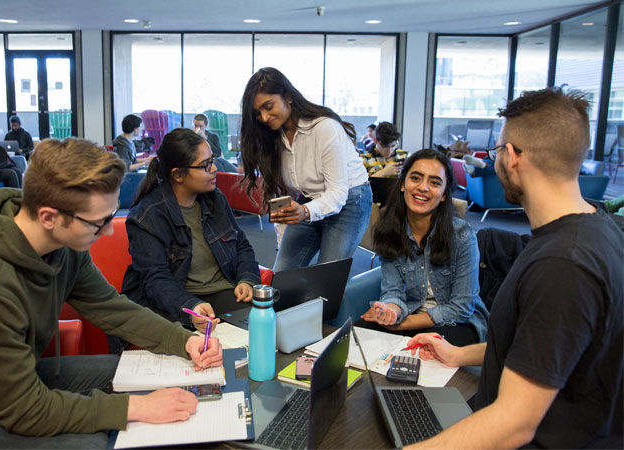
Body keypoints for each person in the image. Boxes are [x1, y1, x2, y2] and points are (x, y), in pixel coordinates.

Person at [0, 138, 223, 449]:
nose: (105, 233)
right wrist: (136, 408)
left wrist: (183, 340)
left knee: (133, 371)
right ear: (48, 216)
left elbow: (109, 305)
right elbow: (21, 410)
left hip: (4, 381)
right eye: (97, 222)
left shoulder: (63, 244)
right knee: (90, 442)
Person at [405, 88, 623, 449]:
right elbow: (547, 348)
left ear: (513, 156)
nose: (496, 160)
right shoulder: (597, 229)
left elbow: (514, 424)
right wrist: (458, 353)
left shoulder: (562, 266)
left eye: (497, 150)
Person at [122, 128, 261, 334]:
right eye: (205, 165)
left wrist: (247, 279)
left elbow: (241, 246)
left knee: (264, 326)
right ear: (178, 175)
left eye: (212, 160)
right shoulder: (147, 216)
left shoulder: (216, 199)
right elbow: (155, 280)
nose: (214, 168)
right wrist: (190, 305)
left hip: (221, 292)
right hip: (176, 300)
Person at [239, 67, 372, 271]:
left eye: (269, 106)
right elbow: (282, 199)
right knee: (281, 276)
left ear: (288, 97)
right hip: (309, 200)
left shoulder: (324, 127)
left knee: (326, 277)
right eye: (258, 113)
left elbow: (337, 193)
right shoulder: (272, 139)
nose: (264, 117)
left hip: (350, 200)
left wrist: (305, 211)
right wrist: (284, 248)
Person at [360, 149, 489, 346]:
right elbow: (392, 291)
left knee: (431, 346)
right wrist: (390, 312)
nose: (423, 187)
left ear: (444, 195)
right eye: (416, 178)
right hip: (412, 312)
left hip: (459, 322)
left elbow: (461, 308)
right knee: (360, 335)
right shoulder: (390, 231)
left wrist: (402, 325)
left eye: (435, 182)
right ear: (403, 184)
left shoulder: (462, 235)